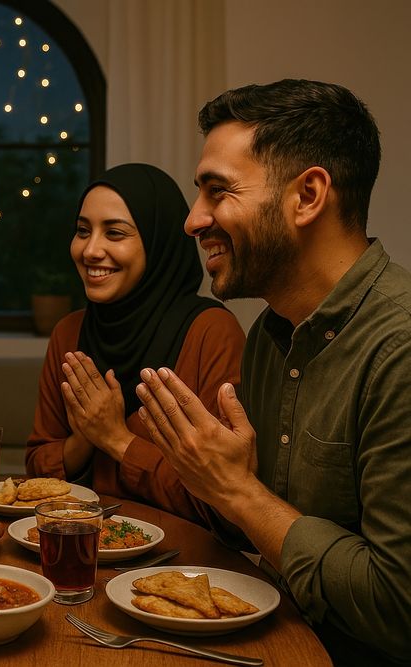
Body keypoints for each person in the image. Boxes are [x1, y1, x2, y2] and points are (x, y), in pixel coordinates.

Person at [135, 79, 410, 665]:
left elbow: (399, 605)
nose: (193, 220)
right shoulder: (269, 333)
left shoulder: (400, 348)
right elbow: (255, 531)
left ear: (307, 195)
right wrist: (203, 473)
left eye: (217, 192)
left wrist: (235, 490)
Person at [26, 163, 245, 526]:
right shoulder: (69, 332)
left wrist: (115, 439)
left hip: (184, 564)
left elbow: (225, 501)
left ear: (157, 243)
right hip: (76, 545)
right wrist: (84, 437)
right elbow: (37, 470)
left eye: (114, 233)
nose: (91, 250)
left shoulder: (211, 332)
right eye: (83, 231)